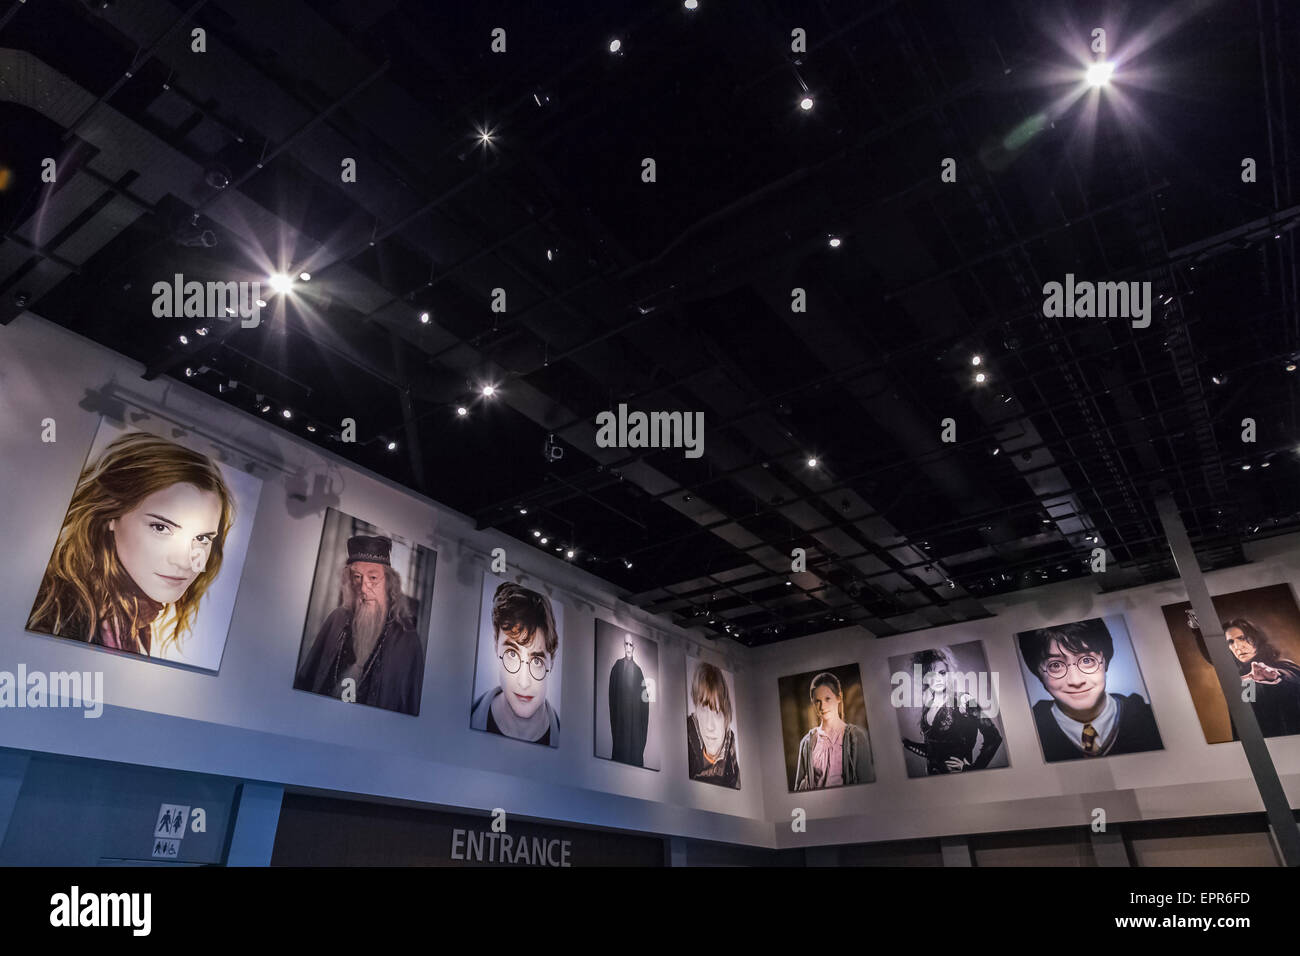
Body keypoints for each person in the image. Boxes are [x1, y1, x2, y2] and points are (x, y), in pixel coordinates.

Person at [28, 431, 236, 659]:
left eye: (202, 538)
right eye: (160, 527)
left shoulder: (128, 622)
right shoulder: (57, 615)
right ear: (111, 515)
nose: (184, 560)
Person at [295, 535, 425, 715]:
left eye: (373, 577)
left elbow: (410, 708)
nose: (364, 588)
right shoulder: (337, 619)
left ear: (389, 583)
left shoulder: (407, 639)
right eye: (357, 577)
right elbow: (305, 680)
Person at [1019, 620, 1162, 761]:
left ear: (1105, 661)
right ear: (1037, 672)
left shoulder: (1153, 721)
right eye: (1056, 665)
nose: (1076, 681)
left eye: (1087, 660)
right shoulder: (1024, 735)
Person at [470, 582, 560, 746]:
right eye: (512, 654)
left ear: (551, 662)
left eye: (536, 661)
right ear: (496, 645)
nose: (523, 683)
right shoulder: (470, 714)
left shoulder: (567, 741)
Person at [902, 647, 1003, 773]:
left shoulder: (964, 700)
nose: (937, 679)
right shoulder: (928, 706)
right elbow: (934, 750)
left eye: (942, 673)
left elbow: (994, 737)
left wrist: (973, 768)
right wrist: (905, 743)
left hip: (959, 780)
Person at [1214, 618, 1300, 739]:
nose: (1237, 646)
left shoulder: (1282, 666)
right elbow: (1245, 723)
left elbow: (1294, 678)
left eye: (1242, 638)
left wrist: (1276, 677)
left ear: (1257, 639)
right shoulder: (1244, 678)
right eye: (1230, 642)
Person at [793, 672, 873, 790]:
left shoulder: (856, 737)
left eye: (827, 699)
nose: (822, 706)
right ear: (813, 702)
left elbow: (867, 785)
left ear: (839, 697)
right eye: (817, 701)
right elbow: (798, 789)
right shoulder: (806, 742)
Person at [686, 662, 740, 788]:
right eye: (704, 710)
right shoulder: (679, 747)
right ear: (696, 712)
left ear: (727, 718)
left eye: (717, 713)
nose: (710, 726)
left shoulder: (733, 769)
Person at [609, 635, 650, 765]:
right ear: (623, 645)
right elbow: (612, 697)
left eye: (630, 645)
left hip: (634, 728)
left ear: (634, 647)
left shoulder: (638, 671)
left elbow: (645, 703)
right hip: (620, 725)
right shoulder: (617, 667)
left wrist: (641, 735)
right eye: (626, 644)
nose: (628, 647)